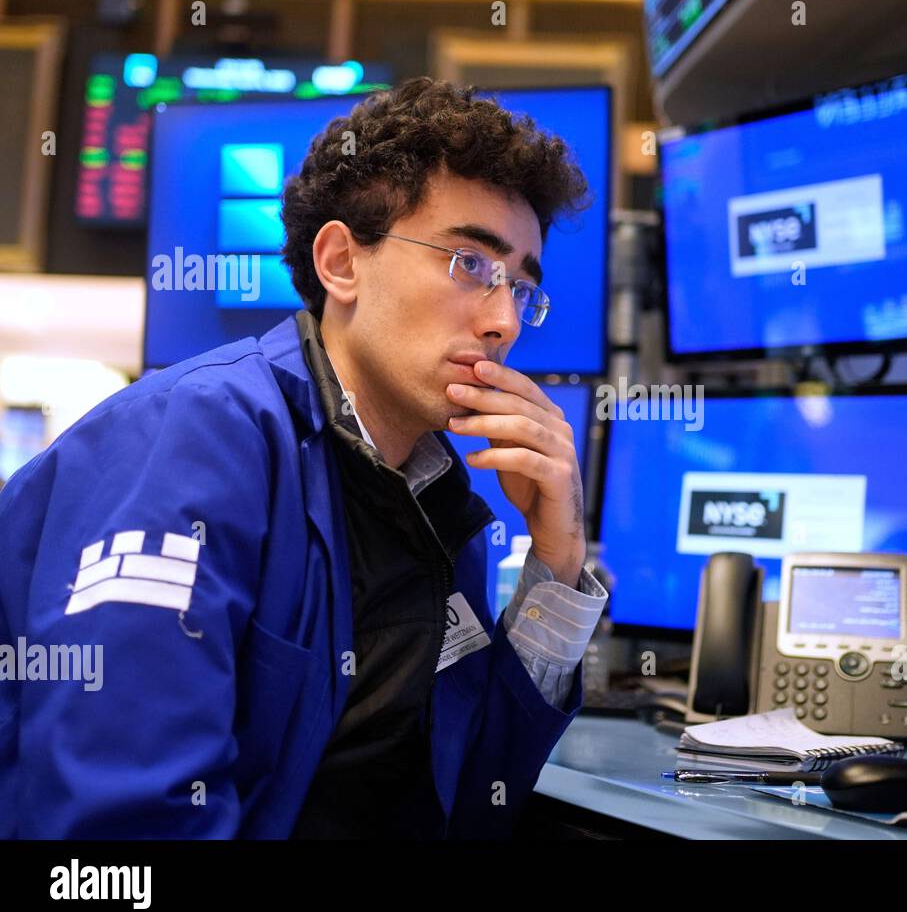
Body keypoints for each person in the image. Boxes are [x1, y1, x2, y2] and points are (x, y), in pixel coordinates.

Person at [0, 78, 608, 838]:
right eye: (469, 266)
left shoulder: (434, 499)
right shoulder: (195, 436)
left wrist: (557, 563)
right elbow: (119, 825)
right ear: (341, 263)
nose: (502, 322)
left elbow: (471, 801)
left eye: (521, 288)